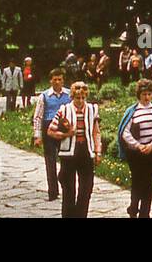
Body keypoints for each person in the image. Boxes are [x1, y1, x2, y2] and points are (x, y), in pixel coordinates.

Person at [46, 81, 102, 218]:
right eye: (77, 98)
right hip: (69, 154)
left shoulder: (92, 109)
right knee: (69, 189)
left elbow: (96, 132)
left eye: (83, 97)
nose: (80, 101)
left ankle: (81, 215)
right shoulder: (64, 110)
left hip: (86, 152)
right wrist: (66, 134)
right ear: (72, 97)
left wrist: (97, 151)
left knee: (86, 188)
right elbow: (50, 131)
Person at [117, 78, 152, 218]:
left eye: (149, 94)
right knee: (138, 181)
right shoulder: (132, 111)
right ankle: (133, 207)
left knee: (149, 183)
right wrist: (138, 145)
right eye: (144, 94)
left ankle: (145, 213)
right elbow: (124, 132)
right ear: (139, 94)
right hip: (136, 153)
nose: (146, 97)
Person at [33, 69, 72, 202]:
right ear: (50, 80)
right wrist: (37, 136)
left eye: (60, 79)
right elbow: (38, 117)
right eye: (54, 79)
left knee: (66, 160)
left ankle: (67, 188)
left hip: (64, 129)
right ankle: (53, 191)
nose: (57, 82)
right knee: (50, 161)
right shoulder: (44, 96)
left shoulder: (69, 95)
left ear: (63, 80)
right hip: (48, 128)